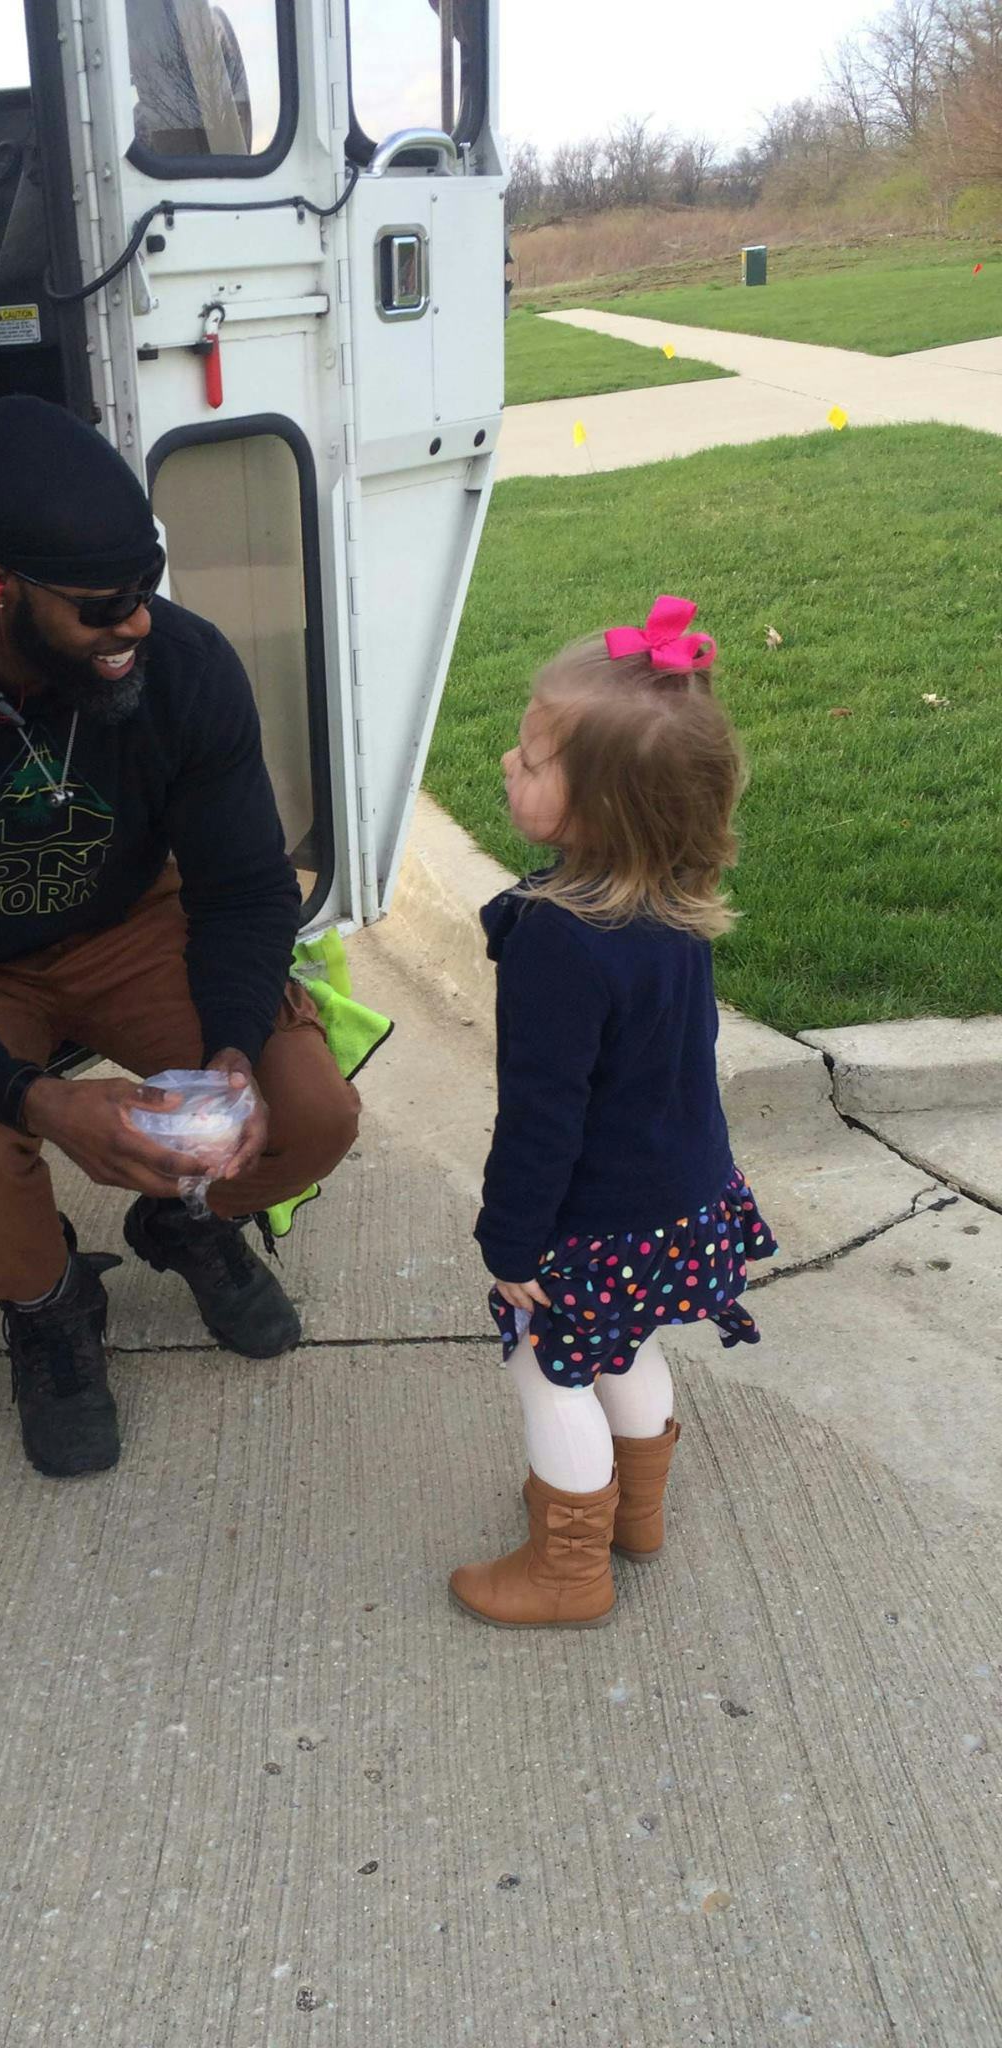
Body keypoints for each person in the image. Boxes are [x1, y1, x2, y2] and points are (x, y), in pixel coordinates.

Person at [0, 396, 360, 1480]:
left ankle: (183, 1224)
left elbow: (243, 887)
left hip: (129, 925)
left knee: (308, 1106)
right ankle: (50, 1305)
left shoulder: (183, 665)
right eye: (103, 606)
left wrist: (229, 1047)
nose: (136, 622)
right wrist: (42, 1101)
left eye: (146, 588)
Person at [449, 597, 777, 1630]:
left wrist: (512, 1238)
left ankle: (567, 1567)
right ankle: (634, 1514)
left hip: (591, 1219)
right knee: (626, 1347)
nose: (509, 760)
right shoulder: (671, 903)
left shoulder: (561, 942)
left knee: (552, 1372)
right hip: (681, 1197)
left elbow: (541, 1116)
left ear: (599, 811)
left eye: (535, 758)